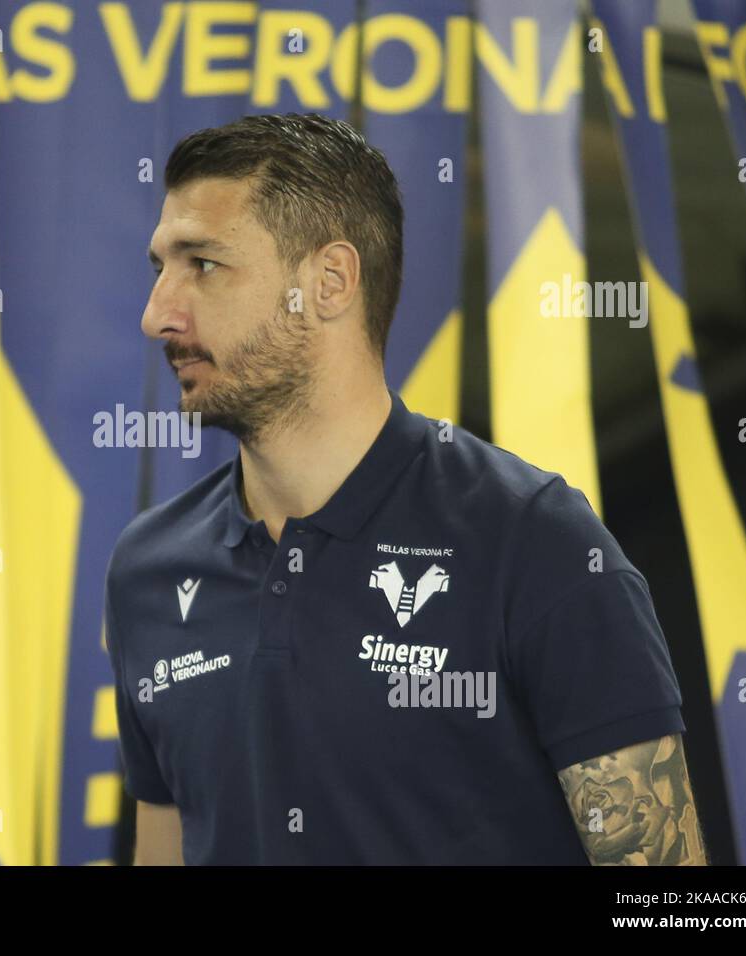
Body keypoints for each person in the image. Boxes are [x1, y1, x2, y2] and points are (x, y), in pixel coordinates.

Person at [103, 112, 707, 865]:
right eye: (160, 267)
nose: (157, 314)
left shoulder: (535, 544)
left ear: (330, 282)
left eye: (203, 264)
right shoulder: (149, 568)